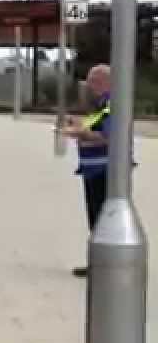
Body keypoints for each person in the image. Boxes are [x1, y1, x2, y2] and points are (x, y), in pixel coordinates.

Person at [62, 64, 112, 278]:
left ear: (102, 82)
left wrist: (79, 134)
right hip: (95, 169)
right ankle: (100, 263)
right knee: (97, 219)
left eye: (92, 82)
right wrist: (77, 125)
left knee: (101, 220)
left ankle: (103, 266)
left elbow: (109, 136)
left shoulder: (110, 104)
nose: (88, 87)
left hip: (103, 170)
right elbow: (94, 124)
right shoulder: (103, 105)